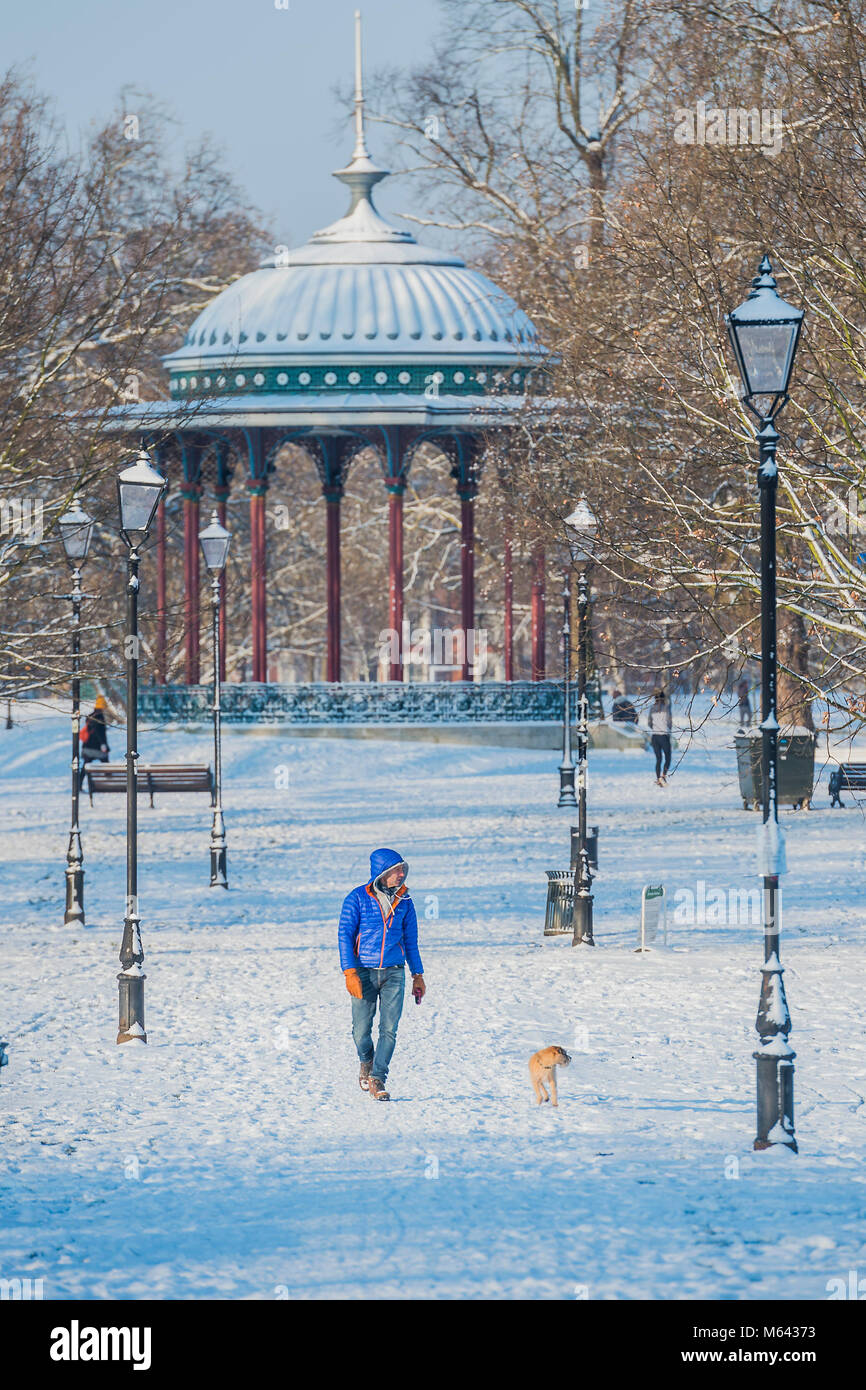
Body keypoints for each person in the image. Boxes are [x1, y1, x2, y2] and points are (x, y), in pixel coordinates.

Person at [338, 848, 425, 1101]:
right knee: (360, 1031)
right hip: (363, 972)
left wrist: (417, 974)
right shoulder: (356, 899)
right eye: (396, 870)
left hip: (394, 973)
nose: (401, 874)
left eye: (402, 870)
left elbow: (411, 941)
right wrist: (349, 972)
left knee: (389, 1029)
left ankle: (378, 1077)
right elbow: (344, 935)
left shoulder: (405, 901)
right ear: (382, 872)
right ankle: (366, 1060)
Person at [79, 695, 110, 788]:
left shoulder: (90, 716)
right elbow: (99, 733)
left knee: (85, 766)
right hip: (96, 747)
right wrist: (103, 745)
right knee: (107, 765)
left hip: (86, 746)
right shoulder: (100, 717)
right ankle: (111, 783)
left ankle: (79, 785)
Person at [648, 690, 672, 785]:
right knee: (668, 758)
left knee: (658, 759)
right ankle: (663, 776)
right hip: (664, 735)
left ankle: (658, 779)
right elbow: (669, 722)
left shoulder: (651, 708)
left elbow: (649, 723)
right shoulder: (666, 708)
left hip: (655, 736)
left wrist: (655, 728)